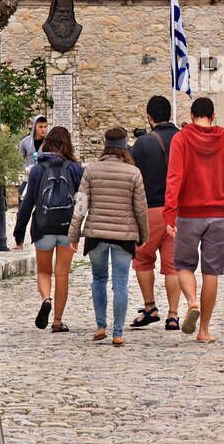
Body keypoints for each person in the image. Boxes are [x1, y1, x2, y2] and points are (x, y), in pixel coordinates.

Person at [164, 96, 224, 343]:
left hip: (188, 215)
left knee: (182, 265)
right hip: (217, 217)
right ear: (213, 117)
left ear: (191, 116)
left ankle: (191, 302)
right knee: (211, 272)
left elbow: (174, 179)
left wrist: (170, 213)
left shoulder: (180, 140)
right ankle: (203, 330)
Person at [68, 127, 150, 346]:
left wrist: (73, 234)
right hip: (124, 235)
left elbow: (81, 205)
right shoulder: (133, 173)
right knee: (121, 282)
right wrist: (144, 235)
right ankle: (118, 332)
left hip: (96, 234)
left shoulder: (92, 171)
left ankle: (101, 325)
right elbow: (140, 209)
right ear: (125, 147)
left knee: (98, 279)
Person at [13, 125, 82, 332]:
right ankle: (58, 321)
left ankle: (46, 299)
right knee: (62, 274)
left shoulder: (37, 170)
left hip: (43, 227)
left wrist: (19, 232)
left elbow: (27, 203)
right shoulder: (75, 169)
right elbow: (83, 200)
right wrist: (76, 231)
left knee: (44, 271)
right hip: (66, 228)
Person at [128, 96, 183, 330]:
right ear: (170, 114)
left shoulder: (143, 144)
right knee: (172, 265)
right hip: (178, 212)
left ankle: (150, 307)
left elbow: (133, 177)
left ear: (149, 117)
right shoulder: (184, 139)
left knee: (142, 260)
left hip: (150, 209)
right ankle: (173, 314)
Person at [17, 115, 49, 201]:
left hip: (45, 179)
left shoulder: (50, 142)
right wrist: (26, 168)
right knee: (22, 200)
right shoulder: (25, 141)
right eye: (41, 127)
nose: (43, 129)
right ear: (35, 127)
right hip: (29, 178)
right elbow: (19, 160)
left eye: (45, 127)